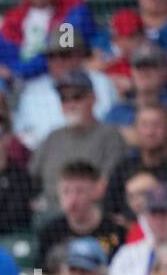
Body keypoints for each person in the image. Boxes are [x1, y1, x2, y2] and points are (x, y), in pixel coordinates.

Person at [30, 70, 129, 215]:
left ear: (93, 99)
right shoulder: (52, 137)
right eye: (64, 99)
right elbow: (30, 180)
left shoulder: (110, 136)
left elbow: (104, 187)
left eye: (77, 97)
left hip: (93, 216)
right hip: (50, 215)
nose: (70, 104)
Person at [103, 103, 167, 227]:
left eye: (156, 125)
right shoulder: (123, 168)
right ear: (135, 130)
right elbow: (110, 213)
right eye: (144, 125)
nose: (150, 132)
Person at [35, 160, 127, 271]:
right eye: (66, 191)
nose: (72, 200)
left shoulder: (117, 232)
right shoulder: (50, 232)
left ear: (95, 192)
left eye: (80, 191)